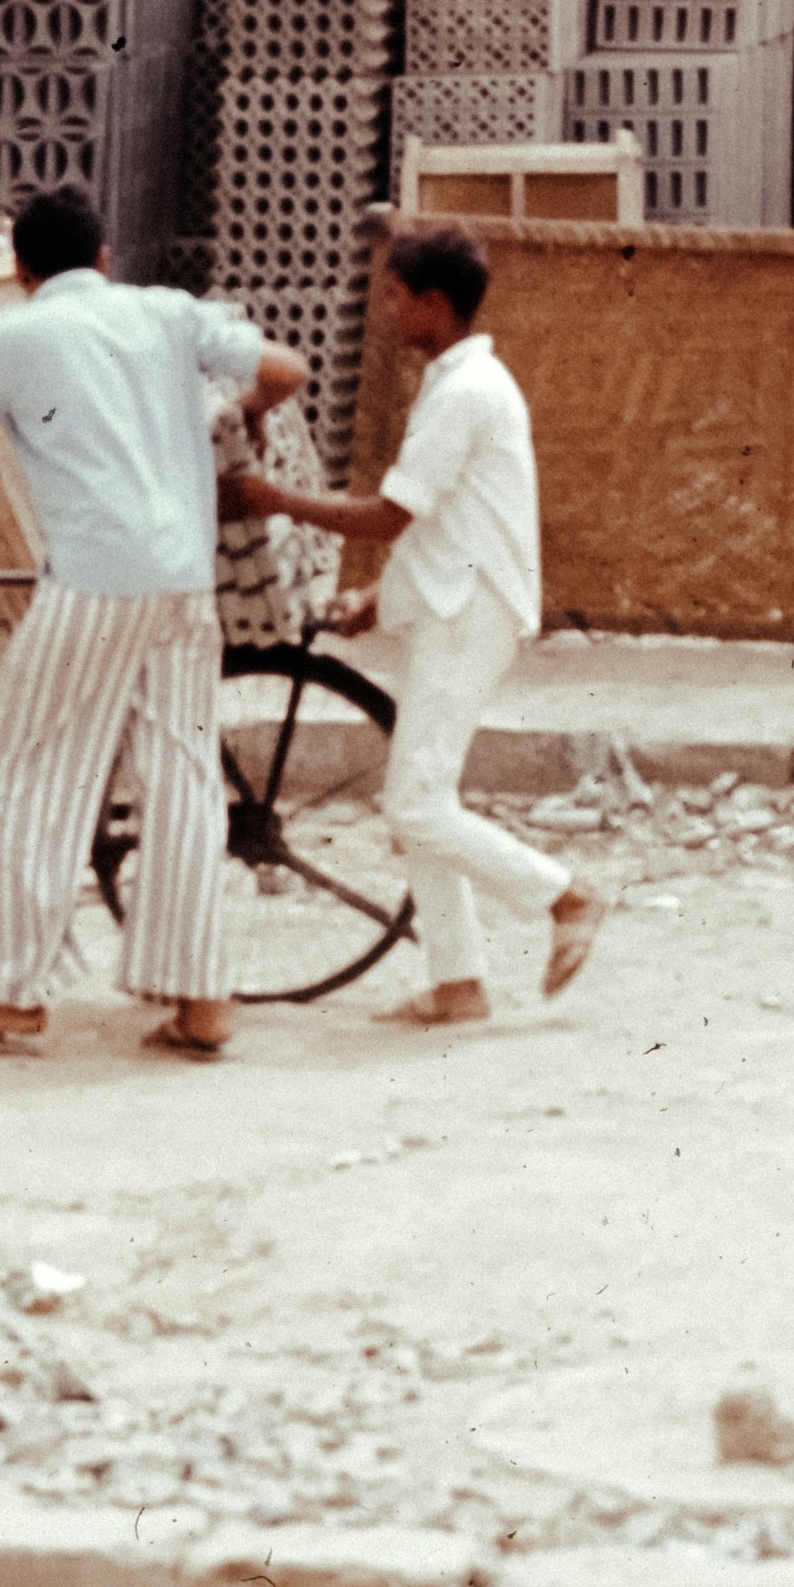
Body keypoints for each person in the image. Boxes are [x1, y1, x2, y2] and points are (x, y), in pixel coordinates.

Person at [0, 183, 312, 1064]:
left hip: (94, 581)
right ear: (105, 257)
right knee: (183, 779)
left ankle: (17, 994)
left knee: (23, 773)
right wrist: (249, 420)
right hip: (185, 581)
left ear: (22, 269)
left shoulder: (14, 335)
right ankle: (202, 999)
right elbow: (285, 369)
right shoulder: (165, 311)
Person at [235, 223, 602, 1030]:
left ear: (434, 304)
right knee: (421, 797)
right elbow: (441, 522)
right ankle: (458, 985)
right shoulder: (457, 382)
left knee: (417, 804)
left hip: (469, 612)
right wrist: (376, 601)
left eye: (395, 295)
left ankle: (565, 895)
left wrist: (272, 498)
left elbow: (392, 514)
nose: (385, 308)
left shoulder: (467, 391)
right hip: (453, 602)